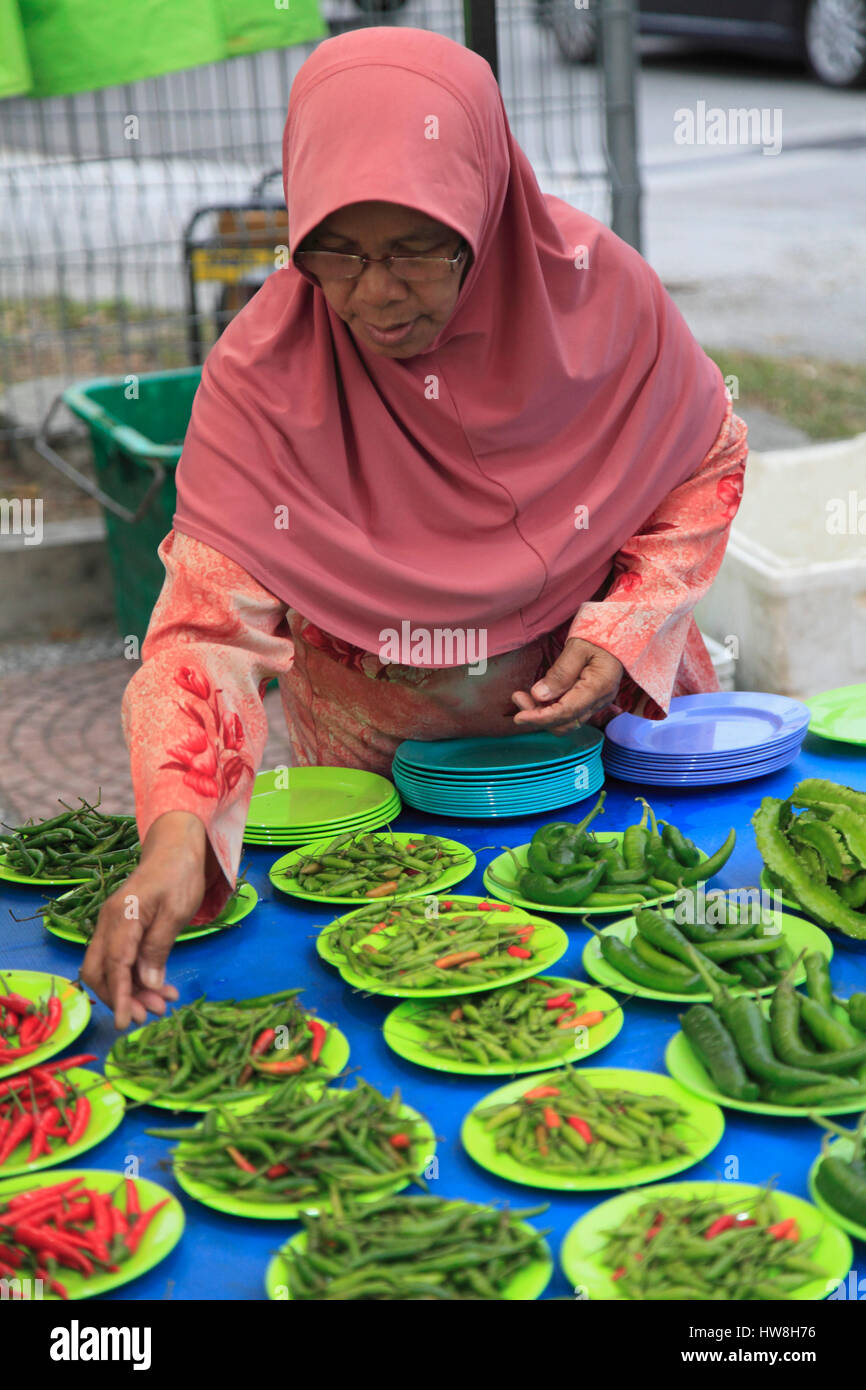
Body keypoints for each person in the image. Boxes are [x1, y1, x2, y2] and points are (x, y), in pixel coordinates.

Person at [81, 26, 747, 1027]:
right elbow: (204, 635)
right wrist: (176, 832)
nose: (374, 294)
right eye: (334, 255)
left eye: (415, 252)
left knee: (649, 982)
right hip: (378, 773)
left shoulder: (596, 296)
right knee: (415, 998)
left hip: (599, 734)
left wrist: (624, 629)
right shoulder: (265, 377)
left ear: (485, 208)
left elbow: (703, 462)